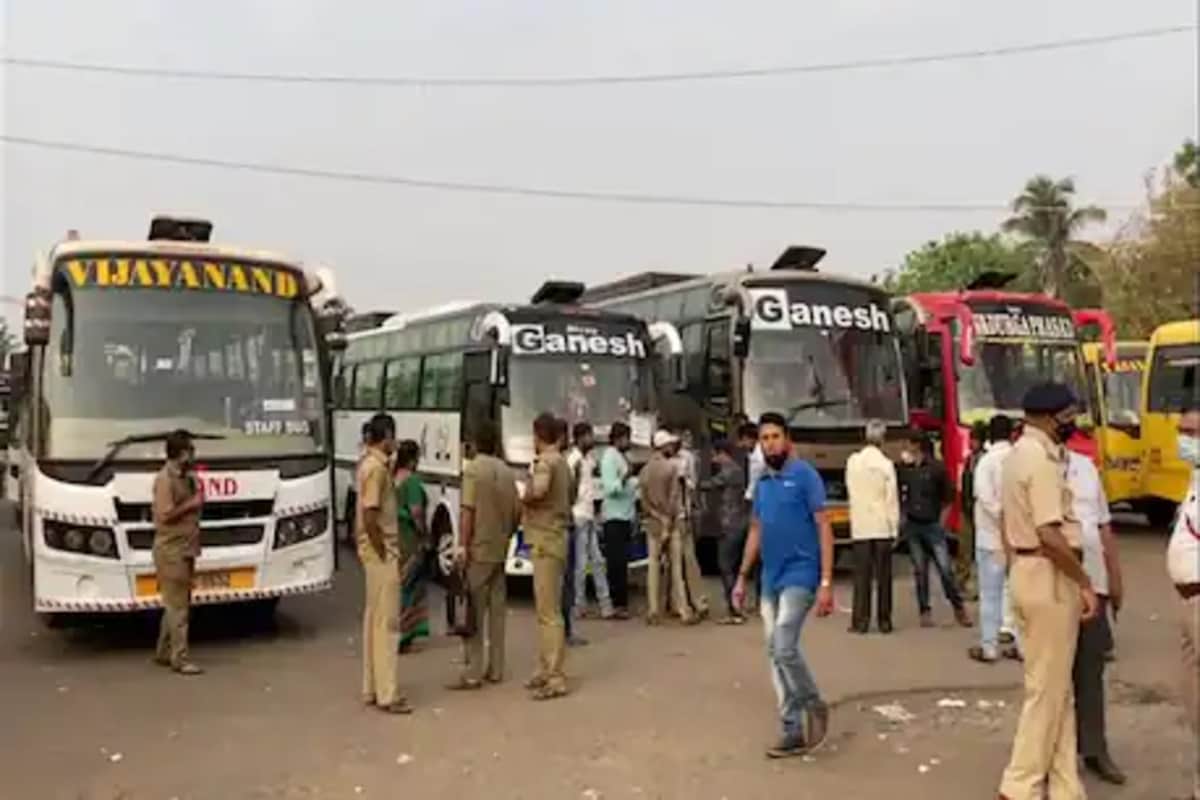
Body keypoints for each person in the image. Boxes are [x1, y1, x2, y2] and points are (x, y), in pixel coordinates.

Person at [997, 383, 1099, 800]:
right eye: (1068, 415)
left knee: (1057, 688)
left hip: (1027, 569)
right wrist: (1084, 581)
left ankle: (1064, 787)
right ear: (1049, 416)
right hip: (1049, 573)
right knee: (1046, 691)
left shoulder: (1017, 454)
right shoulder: (1039, 460)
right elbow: (1050, 533)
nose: (1072, 423)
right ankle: (1018, 786)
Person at [732, 412, 835, 759]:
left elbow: (824, 527)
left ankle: (813, 705)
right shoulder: (762, 484)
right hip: (769, 579)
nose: (770, 443)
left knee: (783, 646)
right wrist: (742, 577)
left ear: (787, 439)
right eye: (764, 438)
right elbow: (757, 531)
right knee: (775, 654)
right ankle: (791, 728)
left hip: (801, 575)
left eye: (775, 436)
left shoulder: (806, 477)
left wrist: (825, 582)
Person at [1066, 444, 1126, 785]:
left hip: (1095, 585)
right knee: (1053, 679)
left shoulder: (1085, 468)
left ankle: (1094, 750)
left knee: (1091, 673)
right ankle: (1053, 756)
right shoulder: (1027, 465)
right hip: (1053, 589)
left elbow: (1103, 527)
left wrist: (1114, 576)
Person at [449, 420, 521, 690]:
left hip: (478, 549)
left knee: (473, 612)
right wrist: (507, 534)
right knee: (497, 611)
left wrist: (462, 546)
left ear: (474, 443)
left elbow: (468, 511)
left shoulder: (473, 470)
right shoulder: (506, 471)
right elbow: (517, 511)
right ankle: (496, 669)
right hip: (500, 549)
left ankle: (472, 672)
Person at [356, 413, 411, 714]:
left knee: (373, 619)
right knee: (388, 623)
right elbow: (370, 514)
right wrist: (382, 549)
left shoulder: (368, 464)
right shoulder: (376, 469)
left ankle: (372, 687)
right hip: (381, 551)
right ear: (386, 435)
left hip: (371, 551)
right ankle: (388, 692)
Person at [896, 430, 973, 629]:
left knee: (945, 570)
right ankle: (924, 610)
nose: (905, 449)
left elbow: (948, 497)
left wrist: (942, 522)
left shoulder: (937, 469)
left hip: (932, 525)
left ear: (916, 446)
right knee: (920, 570)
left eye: (908, 445)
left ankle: (958, 607)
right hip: (913, 526)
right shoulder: (905, 470)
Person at [522, 412, 573, 700]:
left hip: (545, 538)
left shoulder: (545, 463)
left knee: (548, 612)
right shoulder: (563, 463)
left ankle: (554, 675)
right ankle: (545, 668)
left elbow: (538, 491)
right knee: (546, 609)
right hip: (558, 536)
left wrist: (526, 494)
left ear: (539, 435)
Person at [151, 430, 205, 675]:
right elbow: (164, 515)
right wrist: (191, 505)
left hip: (186, 548)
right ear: (181, 453)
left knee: (175, 603)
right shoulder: (165, 480)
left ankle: (163, 651)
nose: (193, 455)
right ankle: (179, 658)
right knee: (179, 607)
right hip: (171, 550)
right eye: (190, 451)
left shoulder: (186, 477)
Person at [1167, 404, 1200, 800]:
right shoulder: (1194, 480)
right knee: (1193, 701)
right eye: (1182, 431)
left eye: (1193, 432)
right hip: (1187, 603)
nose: (1185, 440)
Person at [970, 414, 1020, 663]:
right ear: (1012, 434)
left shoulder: (986, 462)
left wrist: (1000, 516)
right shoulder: (1019, 460)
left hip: (990, 539)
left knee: (990, 594)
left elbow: (983, 497)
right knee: (1019, 593)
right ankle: (1021, 645)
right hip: (1020, 540)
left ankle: (989, 647)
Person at [845, 419, 899, 634]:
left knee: (861, 576)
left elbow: (851, 491)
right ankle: (884, 620)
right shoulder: (886, 465)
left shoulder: (853, 462)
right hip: (882, 526)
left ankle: (860, 621)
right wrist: (894, 529)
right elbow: (891, 500)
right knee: (884, 577)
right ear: (883, 439)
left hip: (860, 526)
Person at [640, 429, 697, 624]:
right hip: (671, 524)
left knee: (653, 566)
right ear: (663, 447)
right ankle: (683, 610)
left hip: (652, 524)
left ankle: (653, 609)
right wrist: (668, 521)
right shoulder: (671, 468)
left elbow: (644, 502)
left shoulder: (645, 471)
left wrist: (657, 516)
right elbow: (674, 499)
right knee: (676, 567)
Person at [567, 421, 614, 621]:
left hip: (588, 515)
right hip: (578, 515)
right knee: (581, 563)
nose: (592, 439)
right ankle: (580, 604)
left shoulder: (588, 459)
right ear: (579, 438)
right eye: (588, 436)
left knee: (596, 560)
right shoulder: (575, 460)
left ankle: (604, 604)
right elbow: (571, 489)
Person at [702, 438, 750, 625]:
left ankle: (734, 609)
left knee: (726, 566)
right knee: (731, 566)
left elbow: (709, 485)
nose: (713, 459)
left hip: (730, 523)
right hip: (737, 522)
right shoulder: (736, 470)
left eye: (715, 455)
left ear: (722, 453)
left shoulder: (730, 471)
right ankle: (736, 606)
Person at [394, 440, 430, 653]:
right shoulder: (413, 481)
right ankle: (405, 632)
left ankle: (396, 630)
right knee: (411, 587)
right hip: (409, 539)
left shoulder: (394, 479)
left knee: (399, 585)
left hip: (395, 538)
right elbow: (416, 512)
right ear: (413, 459)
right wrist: (424, 534)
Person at [600, 421, 637, 620]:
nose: (628, 442)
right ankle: (617, 603)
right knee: (615, 562)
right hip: (614, 516)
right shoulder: (609, 458)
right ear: (617, 439)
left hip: (626, 515)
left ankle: (621, 602)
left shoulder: (623, 457)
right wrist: (625, 478)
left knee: (623, 562)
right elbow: (610, 488)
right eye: (625, 438)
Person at [556, 418, 588, 648]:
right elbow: (571, 493)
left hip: (571, 521)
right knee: (568, 577)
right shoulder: (569, 461)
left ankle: (566, 626)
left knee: (571, 576)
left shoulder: (568, 460)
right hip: (568, 522)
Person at [673, 429, 710, 620]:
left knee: (687, 560)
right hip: (672, 517)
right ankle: (679, 604)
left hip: (682, 516)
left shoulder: (687, 458)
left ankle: (696, 602)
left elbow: (692, 485)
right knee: (675, 563)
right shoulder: (664, 463)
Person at [957, 421, 988, 599]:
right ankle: (961, 581)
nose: (970, 443)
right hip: (966, 507)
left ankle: (978, 585)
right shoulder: (969, 459)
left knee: (980, 549)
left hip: (980, 508)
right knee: (964, 547)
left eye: (973, 440)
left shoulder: (985, 459)